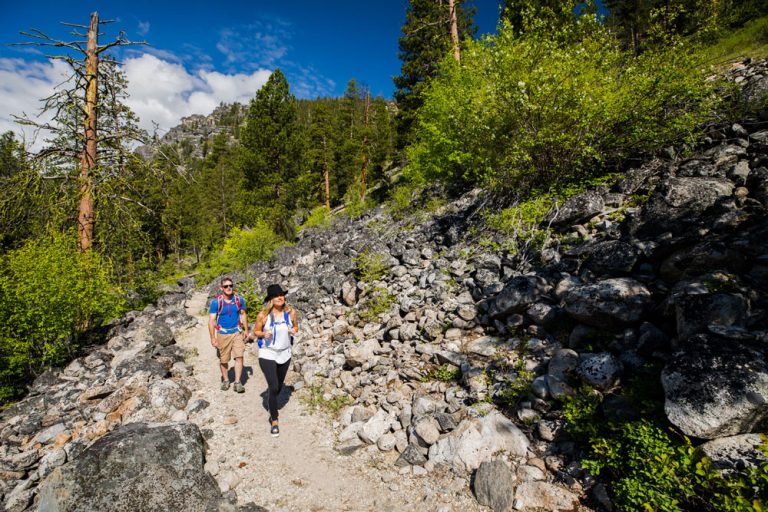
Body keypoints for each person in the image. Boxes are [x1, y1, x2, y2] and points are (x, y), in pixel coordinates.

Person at [253, 284, 298, 437]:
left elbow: (296, 327)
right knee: (273, 387)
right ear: (271, 300)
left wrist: (294, 331)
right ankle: (274, 420)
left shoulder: (291, 313)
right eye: (276, 296)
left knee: (278, 387)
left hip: (285, 354)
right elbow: (256, 331)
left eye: (281, 295)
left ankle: (271, 397)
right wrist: (262, 335)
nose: (280, 297)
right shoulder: (263, 315)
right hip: (267, 354)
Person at [208, 277, 249, 393]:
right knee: (224, 359)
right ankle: (226, 380)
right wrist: (213, 337)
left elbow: (243, 314)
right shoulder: (216, 302)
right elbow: (211, 320)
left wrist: (246, 330)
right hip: (223, 334)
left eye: (230, 285)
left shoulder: (239, 300)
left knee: (239, 356)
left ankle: (237, 382)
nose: (229, 288)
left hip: (237, 332)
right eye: (226, 286)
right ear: (221, 288)